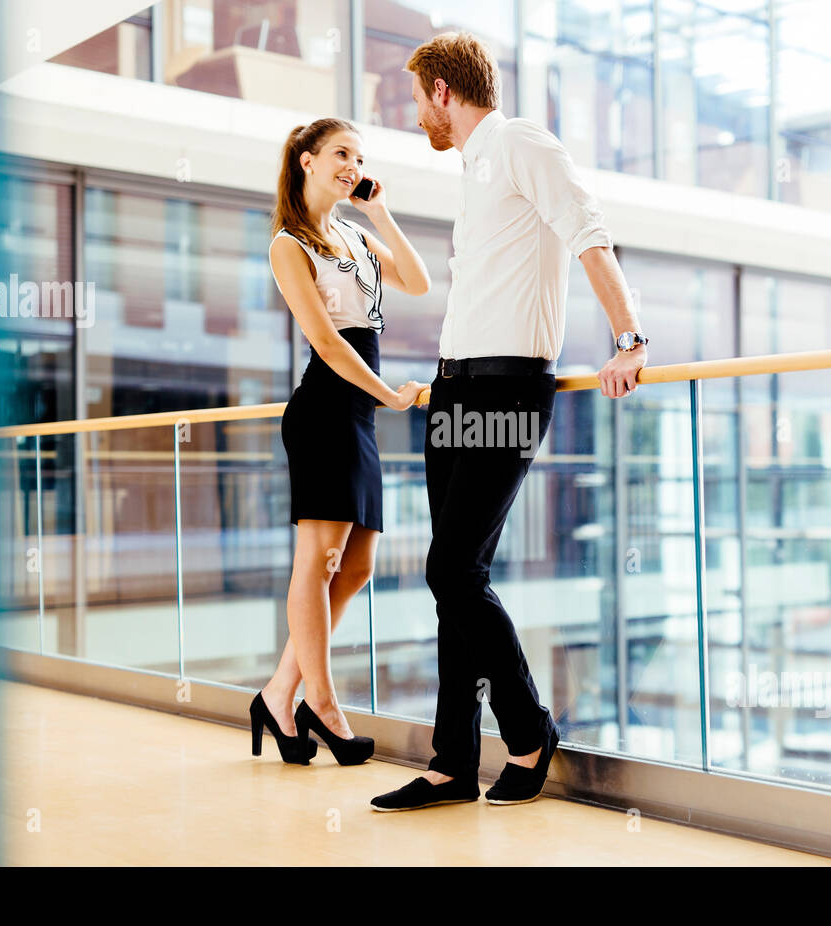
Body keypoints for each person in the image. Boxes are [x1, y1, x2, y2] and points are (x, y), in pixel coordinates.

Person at [370, 33, 649, 811]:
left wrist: (628, 339)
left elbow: (589, 231)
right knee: (456, 581)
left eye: (416, 96)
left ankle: (528, 733)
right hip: (455, 390)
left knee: (451, 572)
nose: (415, 110)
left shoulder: (521, 142)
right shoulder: (474, 170)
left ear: (442, 92)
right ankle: (452, 762)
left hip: (507, 393)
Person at [252, 117, 431, 767]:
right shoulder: (288, 245)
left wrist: (380, 212)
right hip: (327, 409)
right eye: (340, 154)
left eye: (358, 156)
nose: (352, 165)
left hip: (358, 415)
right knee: (319, 563)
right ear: (305, 161)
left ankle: (277, 692)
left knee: (356, 567)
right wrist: (387, 392)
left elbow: (417, 282)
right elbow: (326, 342)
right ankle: (320, 705)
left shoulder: (354, 234)